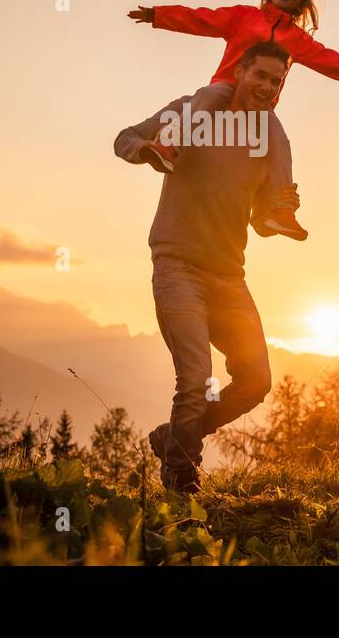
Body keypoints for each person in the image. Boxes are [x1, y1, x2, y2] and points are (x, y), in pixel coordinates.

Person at [114, 41, 298, 493]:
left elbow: (259, 223)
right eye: (261, 76)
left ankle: (175, 438)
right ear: (239, 71)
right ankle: (181, 478)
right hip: (177, 266)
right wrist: (151, 152)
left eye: (277, 82)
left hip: (229, 276)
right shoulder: (192, 115)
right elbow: (125, 139)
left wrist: (280, 211)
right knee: (195, 378)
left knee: (255, 381)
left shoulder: (269, 141)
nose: (268, 88)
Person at [128, 0, 339, 241]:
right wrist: (159, 15)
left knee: (279, 141)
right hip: (226, 85)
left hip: (261, 103)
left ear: (301, 5)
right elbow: (203, 19)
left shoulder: (298, 40)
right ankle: (167, 146)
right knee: (204, 98)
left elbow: (327, 59)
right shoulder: (244, 16)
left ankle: (278, 210)